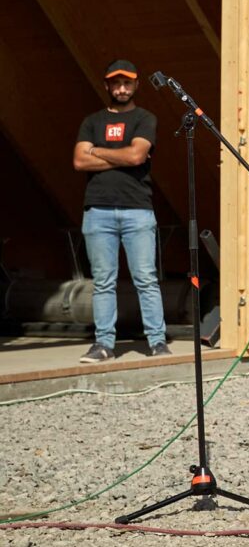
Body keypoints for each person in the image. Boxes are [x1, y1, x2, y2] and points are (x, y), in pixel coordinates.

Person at [73, 59, 169, 364]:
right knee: (103, 282)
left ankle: (157, 342)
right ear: (107, 86)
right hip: (97, 210)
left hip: (137, 210)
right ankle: (103, 344)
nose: (122, 88)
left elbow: (137, 155)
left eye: (127, 83)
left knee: (146, 278)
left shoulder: (145, 118)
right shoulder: (91, 121)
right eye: (116, 83)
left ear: (136, 84)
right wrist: (122, 156)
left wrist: (97, 151)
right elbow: (78, 161)